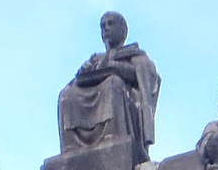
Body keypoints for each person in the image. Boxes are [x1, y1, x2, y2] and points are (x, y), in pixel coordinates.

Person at [57, 11, 160, 161]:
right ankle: (71, 145)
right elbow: (78, 79)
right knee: (67, 94)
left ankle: (112, 136)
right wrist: (85, 71)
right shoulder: (96, 58)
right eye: (102, 26)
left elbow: (145, 79)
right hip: (92, 87)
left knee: (113, 83)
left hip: (122, 98)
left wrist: (114, 66)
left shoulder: (135, 55)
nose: (106, 28)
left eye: (110, 24)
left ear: (123, 30)